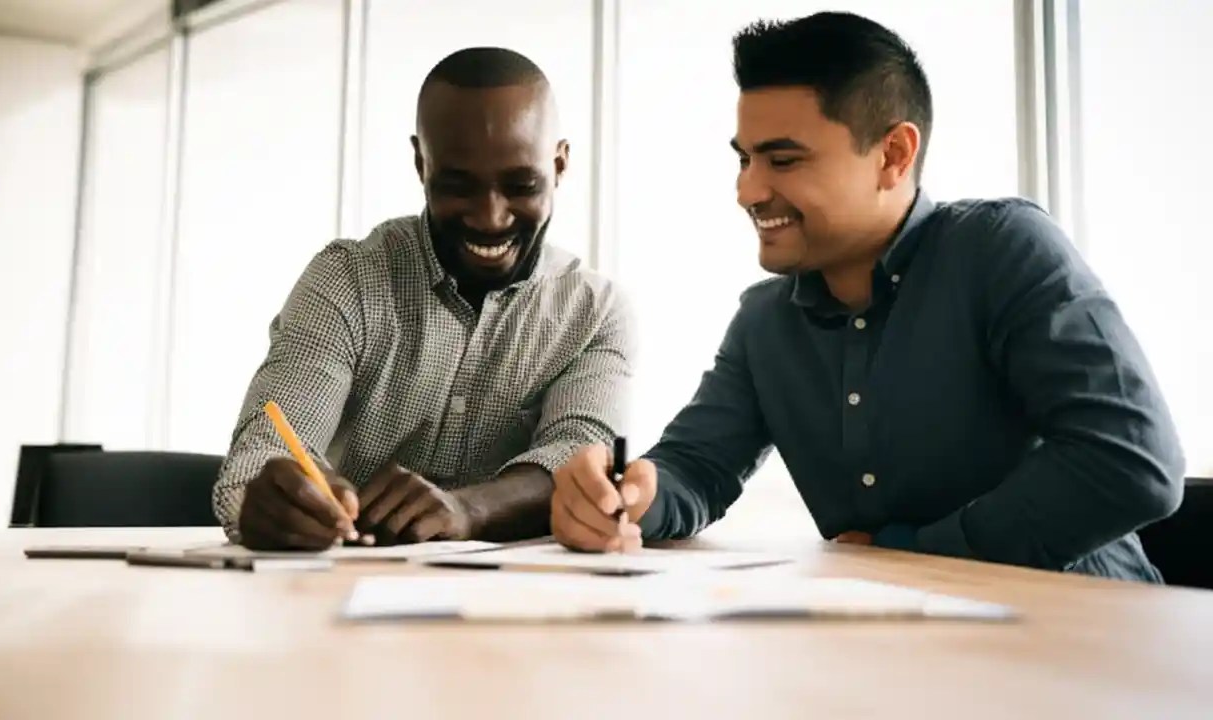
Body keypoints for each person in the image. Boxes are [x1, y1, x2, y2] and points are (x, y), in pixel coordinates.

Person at [551, 12, 1184, 582]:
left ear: (893, 154)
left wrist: (916, 551)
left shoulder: (1002, 250)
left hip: (1086, 632)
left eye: (784, 160)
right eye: (745, 159)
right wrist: (629, 497)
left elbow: (1134, 462)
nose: (747, 191)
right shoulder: (763, 321)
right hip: (893, 647)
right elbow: (696, 467)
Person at [214, 47, 633, 550]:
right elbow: (261, 457)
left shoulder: (596, 311)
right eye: (458, 186)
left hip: (518, 605)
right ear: (421, 163)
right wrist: (275, 498)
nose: (491, 217)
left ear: (559, 164)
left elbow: (581, 461)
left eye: (521, 185)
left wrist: (468, 509)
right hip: (335, 592)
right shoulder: (347, 280)